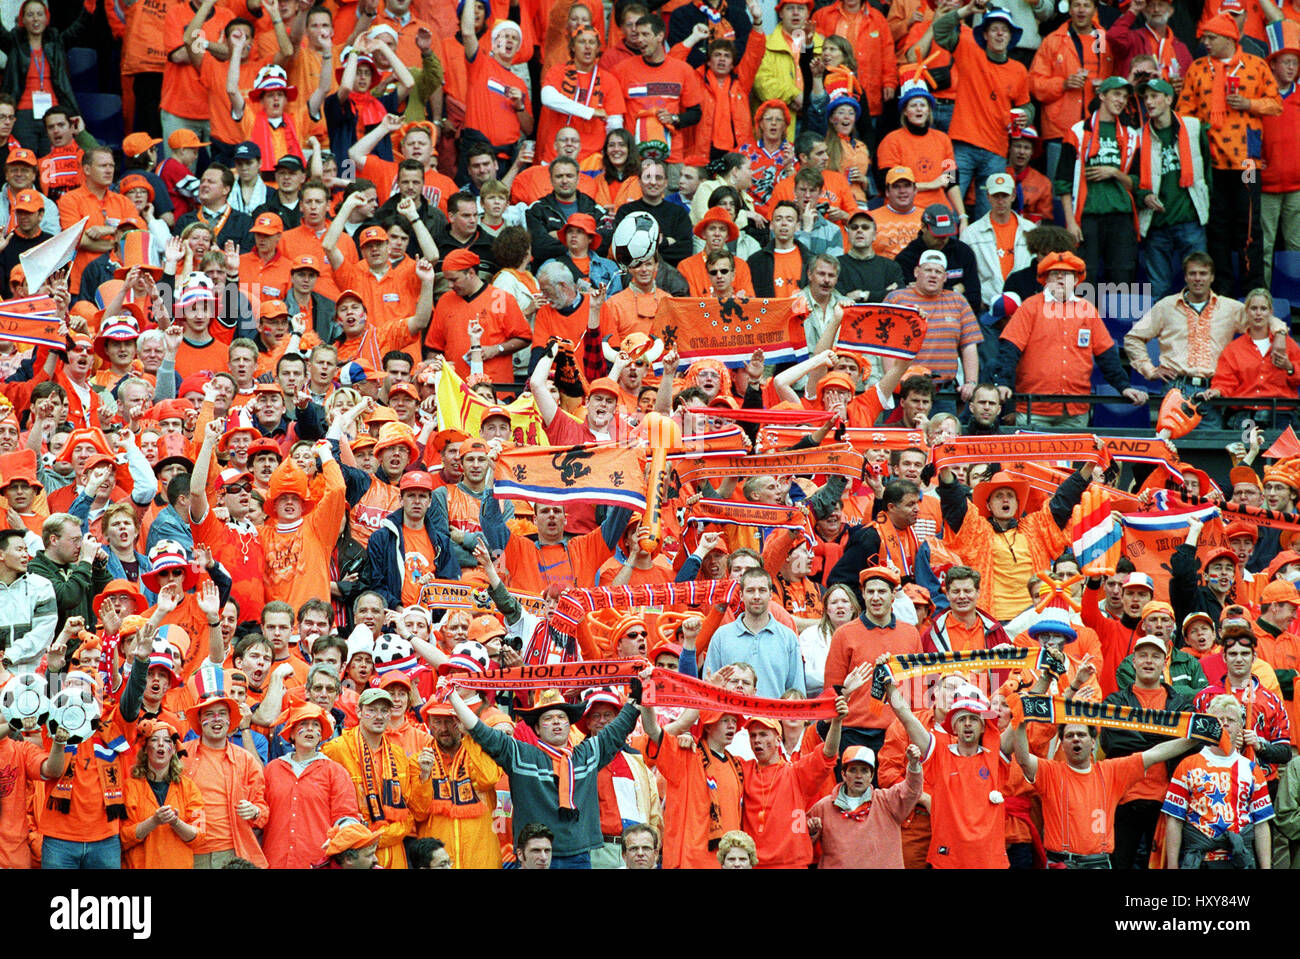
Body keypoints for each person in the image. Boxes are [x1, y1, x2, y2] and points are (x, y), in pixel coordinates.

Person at [446, 676, 642, 869]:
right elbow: (483, 732)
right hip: (534, 857)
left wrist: (637, 695)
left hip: (579, 856)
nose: (556, 722)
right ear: (537, 729)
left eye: (562, 718)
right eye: (548, 718)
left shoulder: (587, 755)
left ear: (570, 726)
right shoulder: (521, 755)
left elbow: (618, 729)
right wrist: (452, 696)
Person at [1176, 15, 1282, 295]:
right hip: (1211, 162)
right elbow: (1183, 113)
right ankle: (1221, 289)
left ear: (1229, 39)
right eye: (1205, 37)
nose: (1206, 43)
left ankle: (1253, 288)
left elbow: (1276, 104)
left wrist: (1249, 103)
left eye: (1211, 38)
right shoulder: (1198, 68)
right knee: (1217, 227)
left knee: (1249, 226)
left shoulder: (1256, 65)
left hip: (1247, 160)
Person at [994, 251, 1147, 427]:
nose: (1060, 278)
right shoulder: (1029, 307)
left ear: (1075, 280)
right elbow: (1010, 348)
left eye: (1066, 274)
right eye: (1054, 274)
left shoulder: (1088, 309)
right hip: (1034, 409)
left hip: (1076, 411)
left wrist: (1124, 386)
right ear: (1045, 279)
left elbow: (1106, 355)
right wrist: (1003, 382)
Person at [884, 667, 1015, 869]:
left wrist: (1046, 678)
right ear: (953, 726)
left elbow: (1022, 720)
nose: (968, 724)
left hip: (987, 859)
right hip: (933, 842)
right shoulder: (939, 752)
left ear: (983, 726)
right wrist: (888, 683)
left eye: (974, 718)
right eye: (961, 719)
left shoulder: (994, 755)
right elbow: (905, 716)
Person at [932, 4, 1033, 220]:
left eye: (1004, 30)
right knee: (947, 202)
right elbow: (939, 30)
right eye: (994, 29)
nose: (999, 34)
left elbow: (1027, 105)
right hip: (960, 145)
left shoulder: (1019, 70)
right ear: (985, 34)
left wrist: (1027, 115)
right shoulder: (968, 48)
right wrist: (966, 10)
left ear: (1011, 36)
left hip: (996, 151)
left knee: (989, 215)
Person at [322, 686, 432, 869]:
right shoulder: (336, 749)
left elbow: (416, 813)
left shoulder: (398, 756)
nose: (379, 716)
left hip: (395, 854)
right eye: (372, 710)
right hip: (356, 854)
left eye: (384, 711)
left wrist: (424, 777)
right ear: (358, 711)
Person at [1163, 693, 1275, 868]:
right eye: (1219, 719)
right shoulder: (1187, 766)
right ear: (1209, 724)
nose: (1225, 723)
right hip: (1200, 861)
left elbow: (1261, 824)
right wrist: (1172, 866)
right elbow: (1174, 820)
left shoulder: (1251, 769)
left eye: (1231, 719)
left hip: (1240, 861)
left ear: (1240, 726)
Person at [262, 703, 360, 869]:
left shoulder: (335, 771)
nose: (310, 729)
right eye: (303, 724)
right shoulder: (272, 769)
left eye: (316, 725)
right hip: (274, 860)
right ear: (291, 733)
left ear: (321, 735)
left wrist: (341, 836)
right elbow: (261, 813)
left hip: (318, 861)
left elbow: (347, 816)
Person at [808, 743, 924, 868]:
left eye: (864, 770)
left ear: (871, 776)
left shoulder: (887, 801)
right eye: (853, 770)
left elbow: (911, 790)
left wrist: (914, 765)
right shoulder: (823, 807)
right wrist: (811, 831)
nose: (859, 776)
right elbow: (802, 841)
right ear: (843, 774)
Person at [701, 568, 805, 698]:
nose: (756, 596)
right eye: (750, 591)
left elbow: (797, 693)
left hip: (773, 711)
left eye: (762, 590)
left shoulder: (788, 638)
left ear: (771, 594)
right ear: (741, 595)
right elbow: (709, 687)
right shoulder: (721, 636)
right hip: (732, 711)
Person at [121, 720, 205, 869]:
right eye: (154, 739)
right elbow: (123, 837)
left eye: (167, 740)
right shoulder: (129, 787)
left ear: (173, 750)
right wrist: (154, 821)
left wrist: (176, 822)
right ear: (145, 749)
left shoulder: (189, 787)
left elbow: (199, 836)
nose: (161, 744)